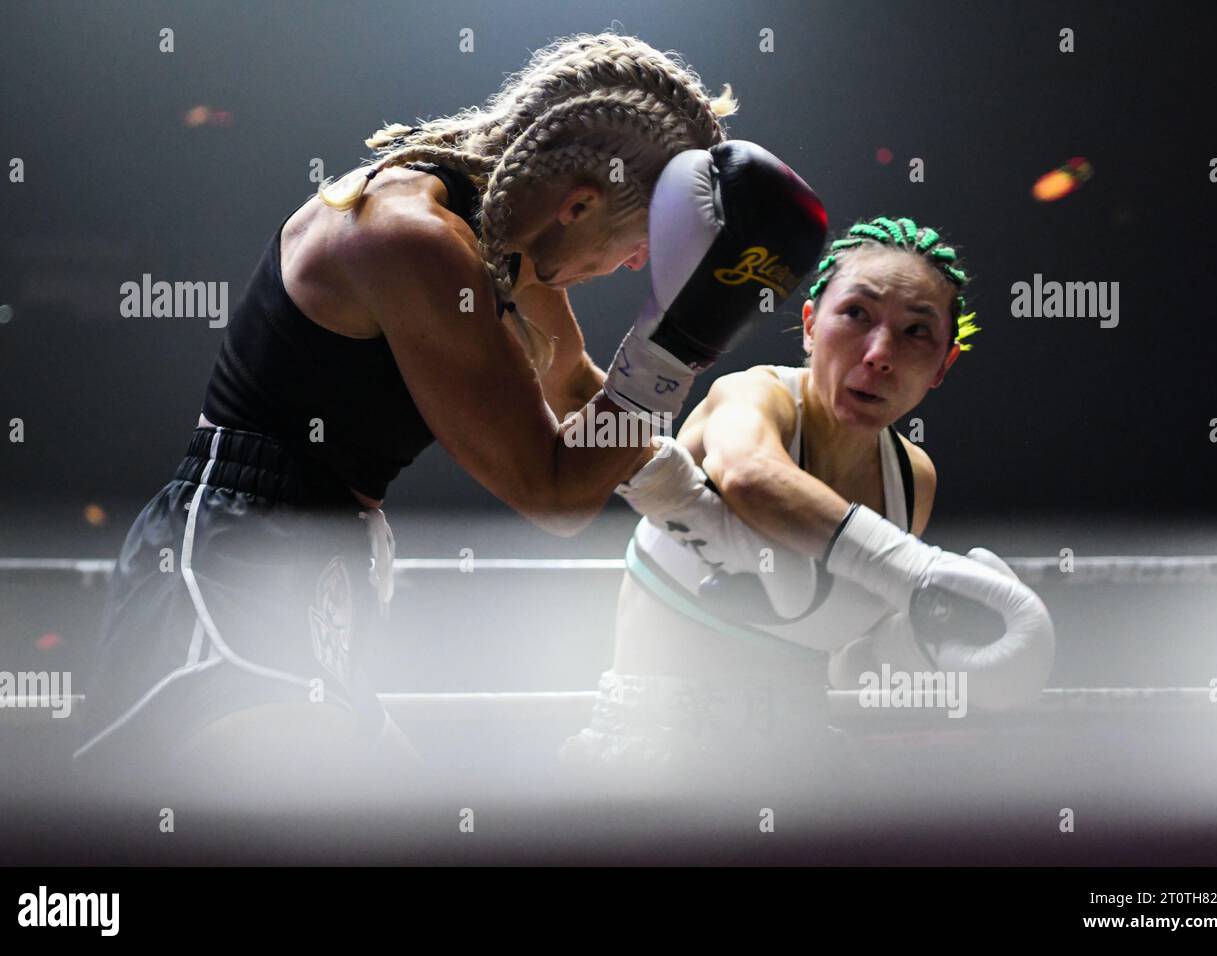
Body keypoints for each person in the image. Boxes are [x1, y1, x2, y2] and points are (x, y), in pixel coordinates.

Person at [71, 32, 828, 800]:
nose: (638, 265)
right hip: (238, 558)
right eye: (640, 243)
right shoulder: (415, 240)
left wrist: (699, 502)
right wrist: (675, 346)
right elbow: (554, 492)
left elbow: (573, 389)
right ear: (580, 203)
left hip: (322, 564)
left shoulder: (500, 232)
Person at [563, 216, 1054, 783]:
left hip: (800, 769)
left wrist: (927, 648)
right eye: (856, 314)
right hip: (652, 762)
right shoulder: (755, 395)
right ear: (809, 327)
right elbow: (749, 474)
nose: (879, 353)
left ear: (943, 366)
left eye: (915, 331)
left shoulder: (911, 477)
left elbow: (843, 654)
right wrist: (918, 569)